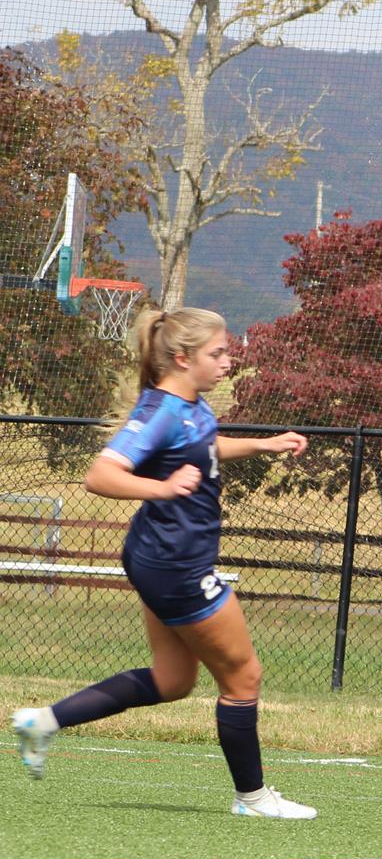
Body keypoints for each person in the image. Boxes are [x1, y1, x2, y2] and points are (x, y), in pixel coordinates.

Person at [11, 307, 316, 818]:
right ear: (181, 357)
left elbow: (202, 449)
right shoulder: (160, 412)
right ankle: (254, 798)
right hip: (176, 566)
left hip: (160, 557)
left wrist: (263, 443)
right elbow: (101, 475)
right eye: (217, 353)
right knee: (243, 677)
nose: (228, 361)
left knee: (174, 681)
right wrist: (163, 487)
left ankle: (42, 722)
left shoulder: (190, 405)